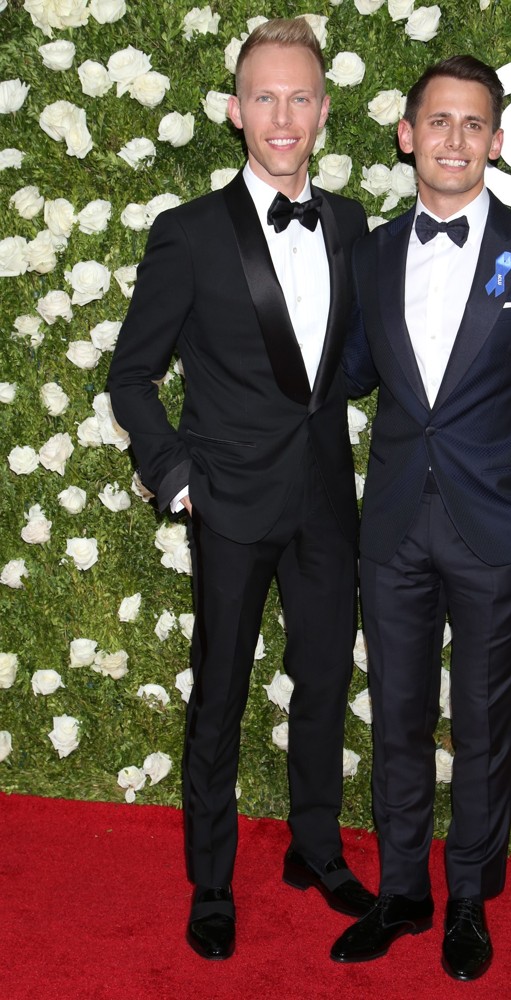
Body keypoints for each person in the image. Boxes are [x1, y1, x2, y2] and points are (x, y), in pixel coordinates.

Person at [330, 56, 511, 980]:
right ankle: (402, 893)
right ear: (406, 134)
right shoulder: (371, 253)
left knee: (485, 725)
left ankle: (468, 900)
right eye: (438, 121)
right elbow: (343, 379)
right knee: (397, 722)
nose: (454, 139)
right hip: (390, 533)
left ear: (495, 143)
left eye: (473, 124)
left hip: (502, 533)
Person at [108, 18, 374, 963]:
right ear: (234, 110)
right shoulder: (185, 235)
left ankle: (315, 849)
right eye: (264, 96)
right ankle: (212, 879)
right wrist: (177, 478)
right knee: (217, 695)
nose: (283, 115)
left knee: (324, 684)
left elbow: (347, 363)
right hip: (225, 504)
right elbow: (130, 375)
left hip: (325, 506)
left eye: (300, 96)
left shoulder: (348, 223)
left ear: (325, 112)